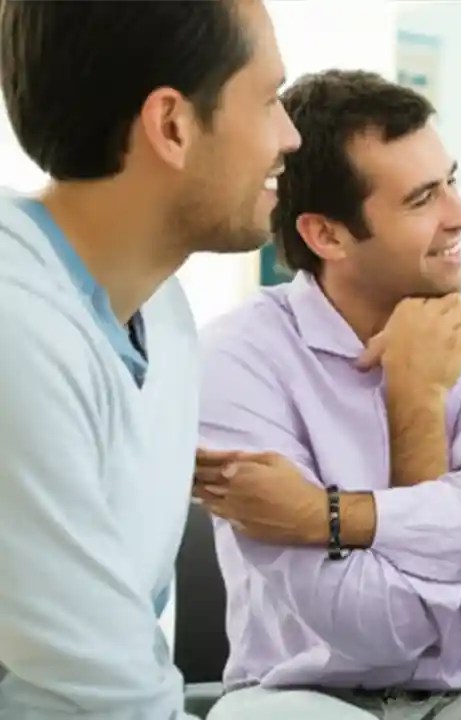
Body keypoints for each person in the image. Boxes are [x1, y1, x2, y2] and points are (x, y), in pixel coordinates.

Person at [193, 69, 461, 720]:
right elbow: (386, 629)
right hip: (295, 698)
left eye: (452, 181)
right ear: (327, 235)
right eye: (423, 200)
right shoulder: (234, 357)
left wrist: (323, 515)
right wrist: (415, 400)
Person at [0, 1, 299, 717]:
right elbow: (96, 687)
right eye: (268, 100)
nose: (290, 136)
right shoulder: (16, 329)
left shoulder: (162, 314)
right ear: (172, 125)